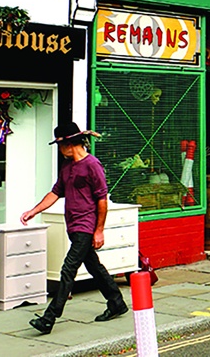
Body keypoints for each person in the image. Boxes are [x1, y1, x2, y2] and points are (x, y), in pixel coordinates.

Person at [22, 122, 128, 335]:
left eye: (60, 146)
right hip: (73, 225)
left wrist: (99, 230)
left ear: (69, 144)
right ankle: (116, 302)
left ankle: (49, 318)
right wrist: (34, 211)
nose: (60, 150)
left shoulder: (92, 165)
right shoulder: (67, 167)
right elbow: (55, 193)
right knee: (94, 267)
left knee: (68, 269)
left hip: (86, 226)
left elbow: (102, 200)